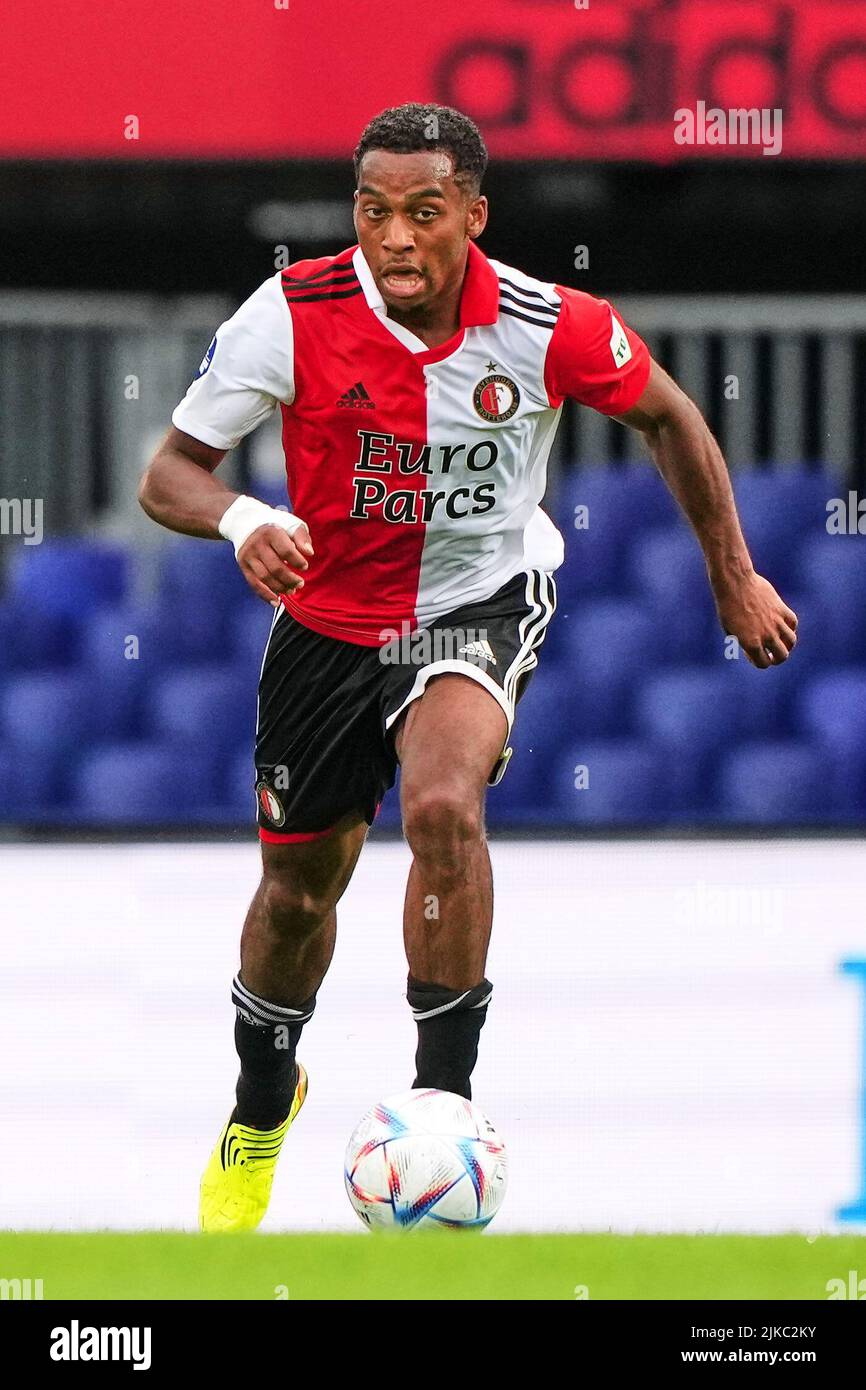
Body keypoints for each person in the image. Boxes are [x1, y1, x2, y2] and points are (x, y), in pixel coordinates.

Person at [138, 102, 798, 1232]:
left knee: (443, 803)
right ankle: (261, 1101)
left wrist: (731, 579)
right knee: (298, 894)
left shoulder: (547, 323)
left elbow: (673, 419)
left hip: (479, 602)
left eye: (422, 213)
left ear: (472, 217)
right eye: (372, 210)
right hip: (327, 623)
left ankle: (441, 1106)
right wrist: (245, 517)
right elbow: (170, 473)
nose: (392, 238)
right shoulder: (290, 315)